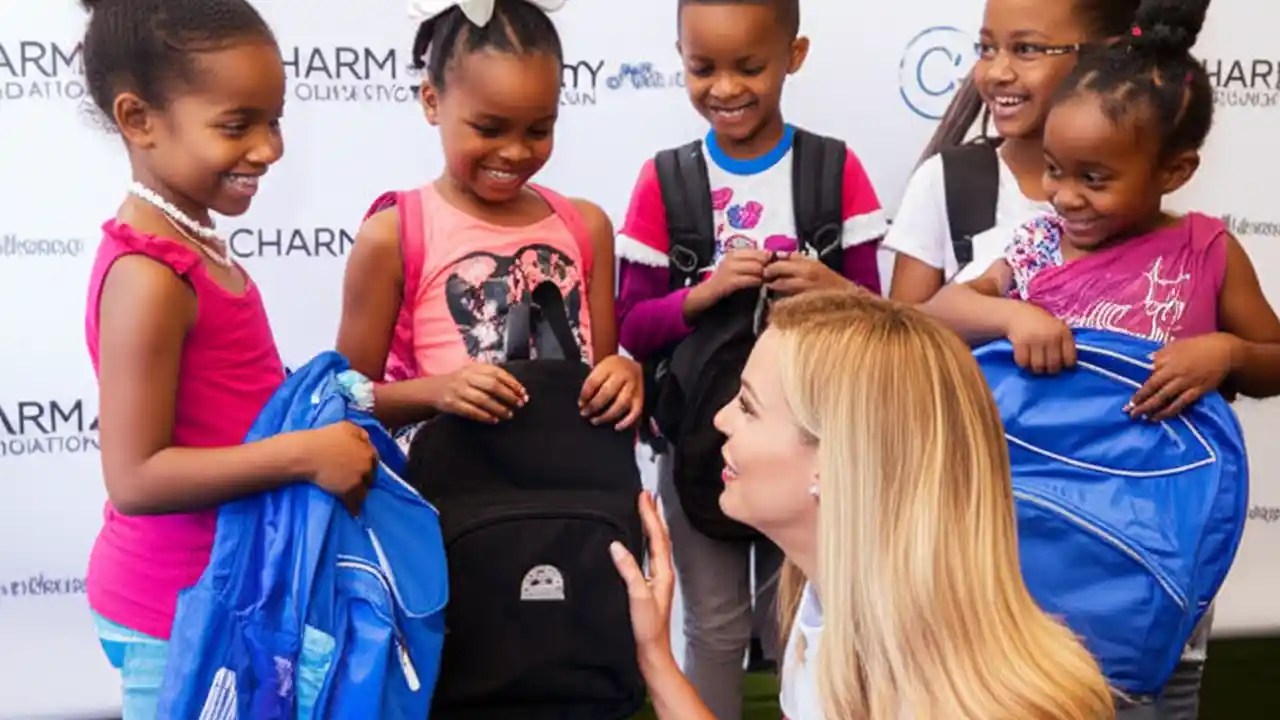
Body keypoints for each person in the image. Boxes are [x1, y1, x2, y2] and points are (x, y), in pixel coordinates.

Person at [923, 0, 1280, 715]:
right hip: (1030, 538)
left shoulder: (1209, 251)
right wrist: (1010, 313)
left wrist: (1228, 353)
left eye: (1095, 178)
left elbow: (1274, 358)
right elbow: (935, 315)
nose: (1065, 196)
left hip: (1160, 546)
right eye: (1055, 170)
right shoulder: (1035, 246)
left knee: (1163, 694)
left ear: (1175, 170)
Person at [611, 291, 1116, 720]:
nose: (721, 419)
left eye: (748, 406)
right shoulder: (828, 616)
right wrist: (654, 650)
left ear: (836, 460)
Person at [78, 0, 376, 716]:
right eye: (237, 126)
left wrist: (420, 396)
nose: (269, 149)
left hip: (224, 589)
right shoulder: (150, 276)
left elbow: (248, 406)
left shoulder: (194, 245)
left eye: (274, 121)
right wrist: (306, 456)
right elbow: (136, 477)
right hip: (176, 611)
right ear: (139, 119)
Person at [613, 2, 885, 715]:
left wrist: (830, 288)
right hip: (700, 445)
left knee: (805, 617)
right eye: (702, 67)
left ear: (794, 56)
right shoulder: (664, 180)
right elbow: (631, 328)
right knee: (714, 623)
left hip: (817, 445)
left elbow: (881, 321)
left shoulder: (834, 168)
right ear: (679, 56)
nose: (726, 87)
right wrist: (703, 294)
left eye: (750, 67)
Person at [335, 0, 642, 435]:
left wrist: (625, 375)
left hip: (574, 474)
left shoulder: (586, 226)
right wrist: (437, 392)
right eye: (489, 129)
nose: (515, 151)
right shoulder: (392, 236)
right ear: (431, 101)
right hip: (451, 477)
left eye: (538, 130)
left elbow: (601, 378)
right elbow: (344, 400)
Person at [883, 0, 1140, 302]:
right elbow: (906, 326)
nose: (997, 73)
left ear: (1105, 55)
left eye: (1026, 49)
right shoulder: (944, 183)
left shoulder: (1148, 190)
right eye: (987, 48)